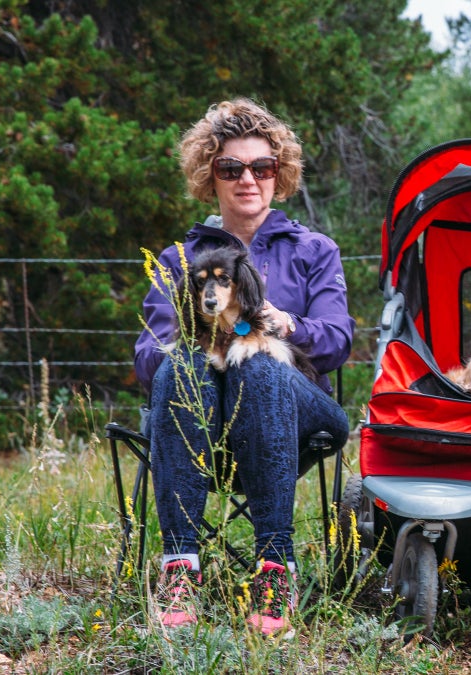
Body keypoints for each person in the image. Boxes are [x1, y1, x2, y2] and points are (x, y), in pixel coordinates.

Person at [134, 98, 353, 635]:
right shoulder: (181, 261)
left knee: (259, 365)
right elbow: (148, 358)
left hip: (299, 412)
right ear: (211, 177)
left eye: (262, 167)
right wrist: (202, 335)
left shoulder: (314, 250)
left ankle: (276, 569)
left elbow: (337, 341)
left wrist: (283, 326)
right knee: (182, 367)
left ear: (280, 175)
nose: (247, 179)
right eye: (231, 168)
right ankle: (180, 569)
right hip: (200, 421)